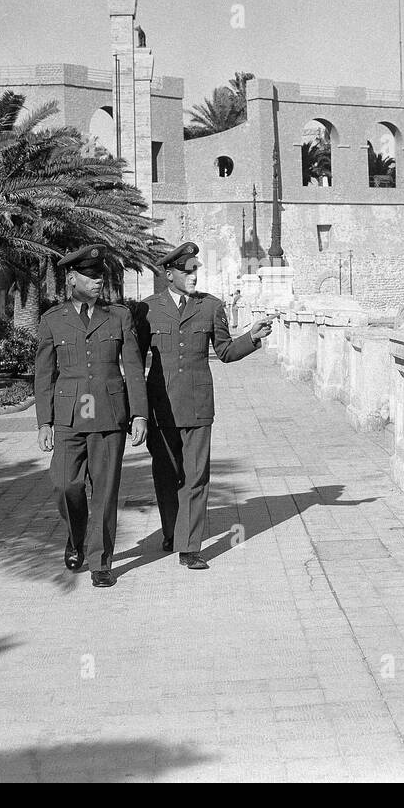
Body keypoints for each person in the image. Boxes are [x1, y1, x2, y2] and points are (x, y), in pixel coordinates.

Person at [137, 242, 273, 569]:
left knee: (196, 477)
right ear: (169, 274)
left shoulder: (211, 307)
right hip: (161, 406)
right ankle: (172, 531)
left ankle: (190, 547)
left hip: (198, 406)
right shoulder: (147, 309)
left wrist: (252, 337)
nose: (193, 276)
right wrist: (136, 410)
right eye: (186, 271)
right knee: (167, 475)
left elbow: (225, 352)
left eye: (195, 270)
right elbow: (133, 361)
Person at [35, 245, 148, 588]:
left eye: (101, 276)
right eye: (91, 276)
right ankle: (76, 534)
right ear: (71, 279)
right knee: (64, 484)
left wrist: (139, 413)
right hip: (69, 416)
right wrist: (44, 422)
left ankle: (101, 561)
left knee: (105, 491)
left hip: (110, 416)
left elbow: (132, 366)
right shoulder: (52, 320)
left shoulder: (118, 317)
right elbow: (43, 374)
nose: (98, 281)